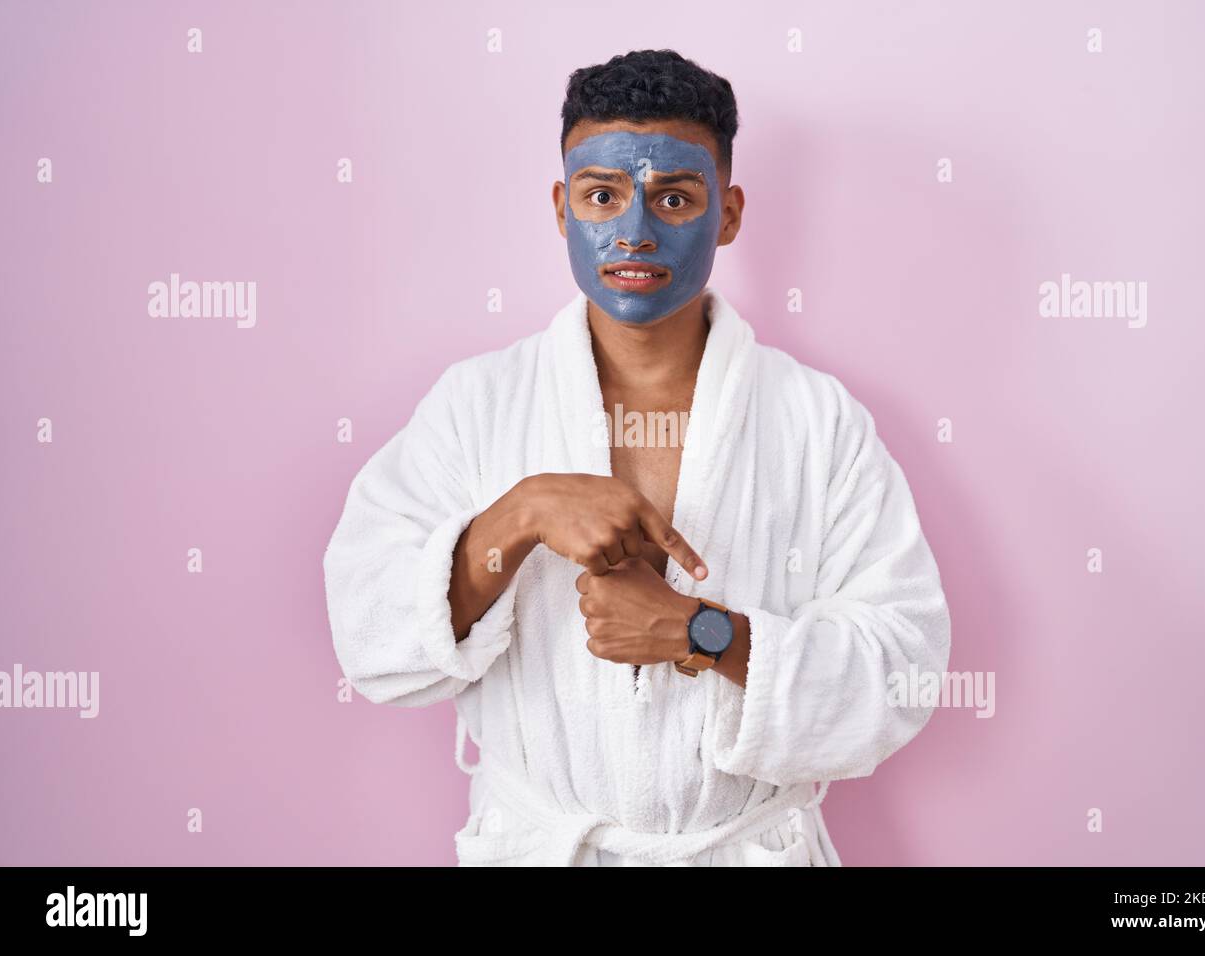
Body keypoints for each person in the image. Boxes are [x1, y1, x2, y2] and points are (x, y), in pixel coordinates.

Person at [323, 48, 951, 866]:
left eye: (674, 198)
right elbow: (370, 634)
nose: (635, 232)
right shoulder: (477, 405)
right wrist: (519, 515)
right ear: (562, 208)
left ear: (729, 213)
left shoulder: (816, 420)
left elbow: (902, 668)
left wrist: (701, 632)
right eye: (602, 195)